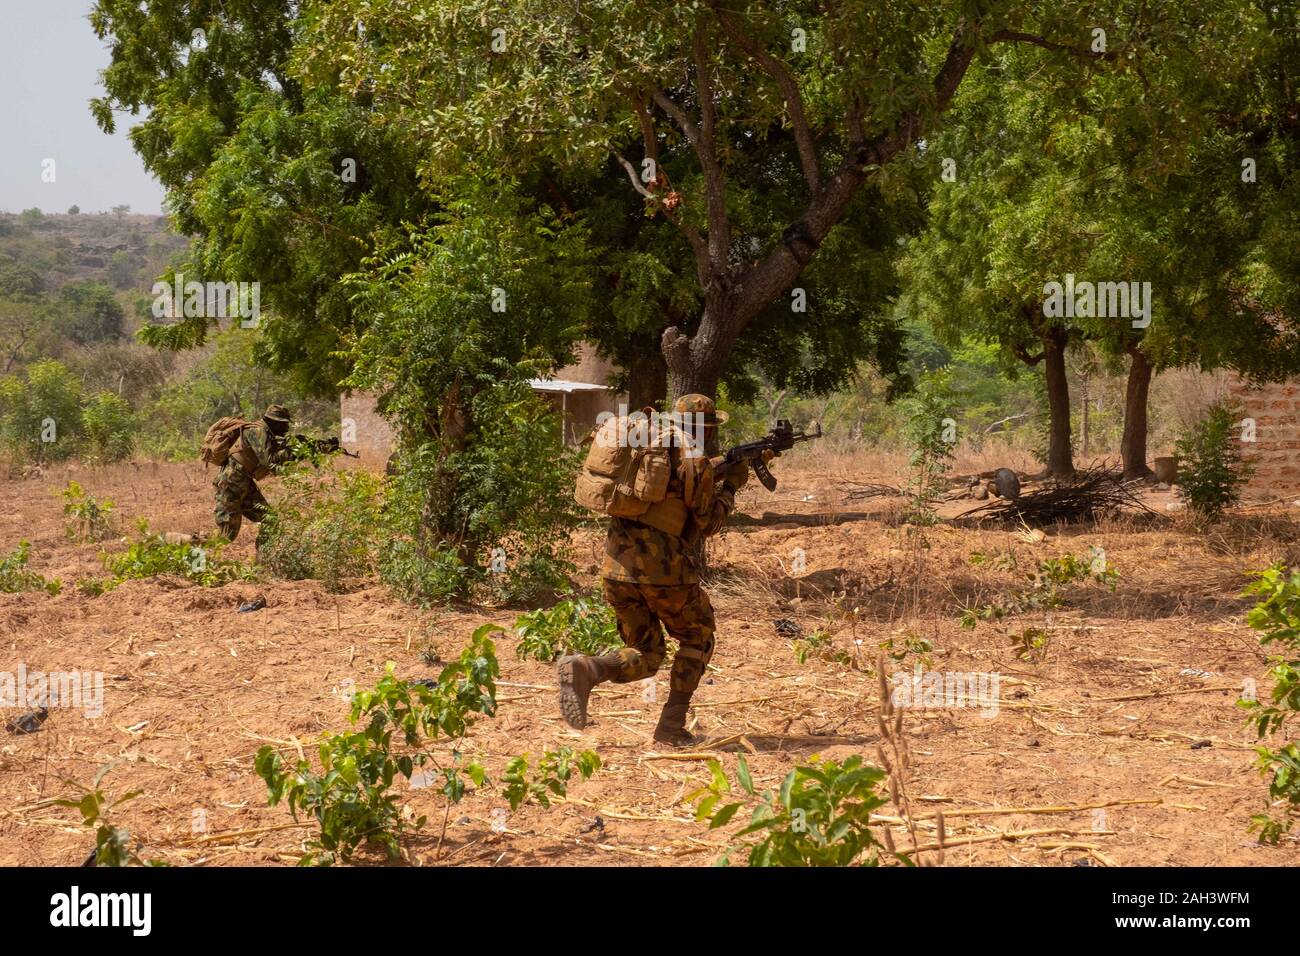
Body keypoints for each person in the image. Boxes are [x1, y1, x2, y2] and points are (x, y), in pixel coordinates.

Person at [557, 393, 752, 746]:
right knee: (697, 636)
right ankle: (671, 727)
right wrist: (732, 486)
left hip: (616, 570)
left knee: (646, 653)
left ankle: (589, 668)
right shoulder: (695, 461)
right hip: (666, 574)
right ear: (706, 428)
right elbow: (708, 523)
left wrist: (717, 470)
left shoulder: (648, 446)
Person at [212, 404, 296, 543]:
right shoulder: (257, 431)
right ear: (274, 422)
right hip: (231, 484)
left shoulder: (267, 434)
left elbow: (277, 468)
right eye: (284, 424)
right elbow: (270, 461)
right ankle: (181, 543)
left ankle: (263, 560)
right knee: (226, 535)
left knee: (270, 519)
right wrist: (292, 450)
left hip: (243, 483)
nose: (286, 429)